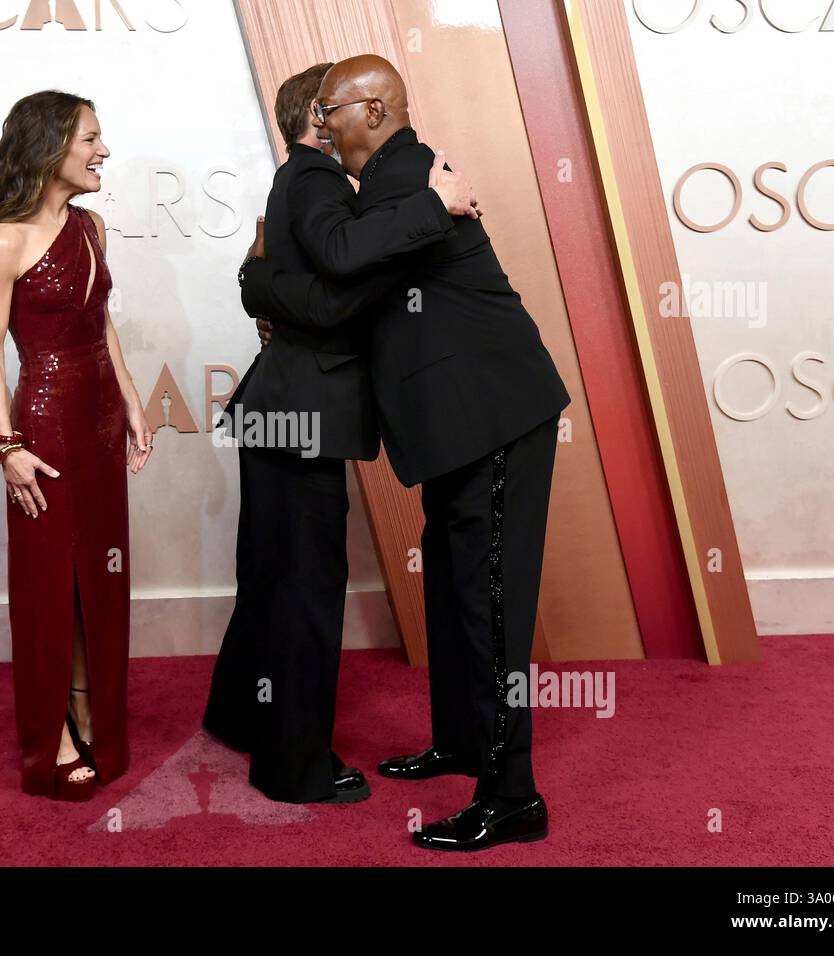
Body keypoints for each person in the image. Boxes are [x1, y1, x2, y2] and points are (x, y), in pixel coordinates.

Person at [240, 55, 571, 850]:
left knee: (489, 608)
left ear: (376, 112)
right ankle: (461, 742)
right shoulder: (404, 185)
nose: (319, 128)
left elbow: (341, 260)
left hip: (493, 416)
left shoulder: (407, 175)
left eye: (330, 113)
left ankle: (512, 795)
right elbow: (335, 281)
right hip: (456, 427)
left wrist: (259, 278)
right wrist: (256, 279)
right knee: (456, 585)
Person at [203, 63, 480, 804]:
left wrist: (258, 286)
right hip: (304, 411)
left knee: (268, 574)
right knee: (305, 587)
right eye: (342, 111)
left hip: (279, 405)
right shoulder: (320, 179)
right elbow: (334, 298)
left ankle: (237, 713)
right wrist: (430, 210)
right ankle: (292, 764)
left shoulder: (293, 181)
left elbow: (283, 280)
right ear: (320, 119)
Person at [0, 91, 153, 801]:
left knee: (98, 580)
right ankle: (49, 733)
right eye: (91, 138)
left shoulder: (93, 227)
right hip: (42, 426)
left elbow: (100, 323)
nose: (103, 150)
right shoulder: (6, 240)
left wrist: (133, 401)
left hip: (101, 421)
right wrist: (7, 445)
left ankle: (88, 706)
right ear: (51, 147)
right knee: (50, 583)